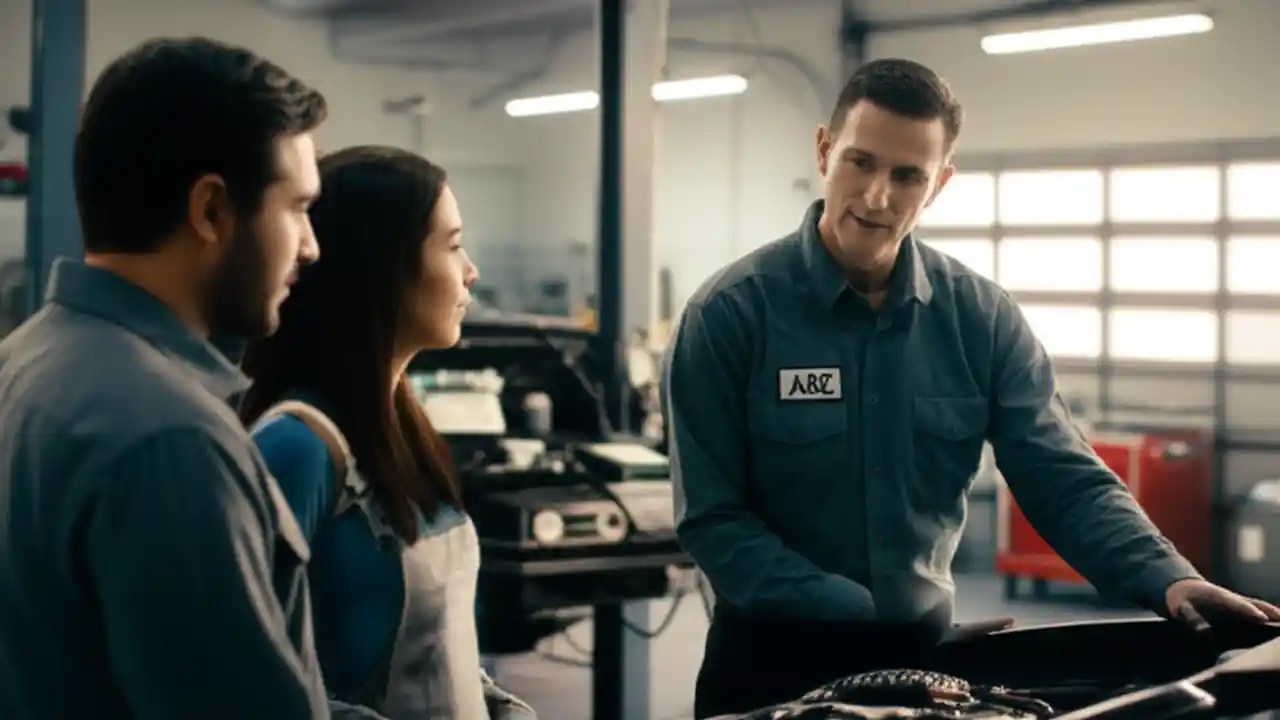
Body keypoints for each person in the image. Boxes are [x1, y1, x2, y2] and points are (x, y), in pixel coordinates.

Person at [662, 57, 1280, 719]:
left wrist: (1170, 578)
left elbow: (1061, 476)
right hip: (767, 673)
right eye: (860, 162)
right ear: (823, 151)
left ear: (939, 184)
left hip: (925, 672)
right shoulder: (729, 316)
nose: (876, 197)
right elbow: (715, 522)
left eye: (907, 176)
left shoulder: (980, 319)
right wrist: (875, 618)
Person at [0, 37, 329, 719]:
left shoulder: (26, 362)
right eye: (297, 207)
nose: (310, 245)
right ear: (211, 210)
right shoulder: (171, 436)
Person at [238, 146, 536, 720]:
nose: (471, 270)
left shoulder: (400, 426)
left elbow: (440, 652)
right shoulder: (296, 449)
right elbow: (247, 678)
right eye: (451, 245)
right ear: (380, 269)